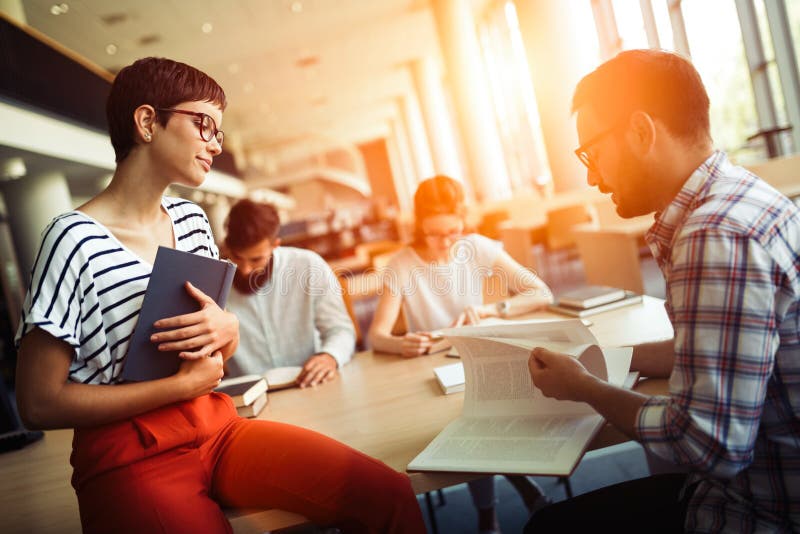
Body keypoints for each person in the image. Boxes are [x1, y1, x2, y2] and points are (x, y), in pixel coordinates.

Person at [14, 57, 425, 534]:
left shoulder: (192, 222)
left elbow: (215, 353)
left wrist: (228, 330)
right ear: (148, 122)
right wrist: (177, 388)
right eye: (203, 124)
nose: (214, 144)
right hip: (129, 457)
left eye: (219, 132)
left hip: (216, 426)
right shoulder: (72, 240)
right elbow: (38, 403)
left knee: (389, 495)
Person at [527, 49, 800, 533]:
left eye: (591, 152)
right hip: (768, 482)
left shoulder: (713, 234)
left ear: (640, 131)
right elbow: (726, 347)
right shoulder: (740, 195)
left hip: (760, 508)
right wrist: (612, 355)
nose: (591, 176)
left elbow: (706, 444)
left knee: (547, 527)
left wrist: (584, 387)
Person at [368, 175, 554, 533]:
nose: (446, 242)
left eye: (453, 230)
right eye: (435, 233)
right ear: (418, 226)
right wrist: (400, 342)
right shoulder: (402, 265)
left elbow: (540, 292)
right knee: (471, 418)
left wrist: (491, 310)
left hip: (479, 360)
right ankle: (510, 493)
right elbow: (377, 335)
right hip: (434, 371)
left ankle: (489, 515)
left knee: (479, 414)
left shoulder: (476, 246)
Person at [222, 199, 355, 387]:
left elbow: (340, 330)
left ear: (275, 244)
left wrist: (329, 356)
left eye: (256, 259)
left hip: (312, 384)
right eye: (236, 257)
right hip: (252, 397)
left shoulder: (308, 266)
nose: (244, 269)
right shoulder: (215, 282)